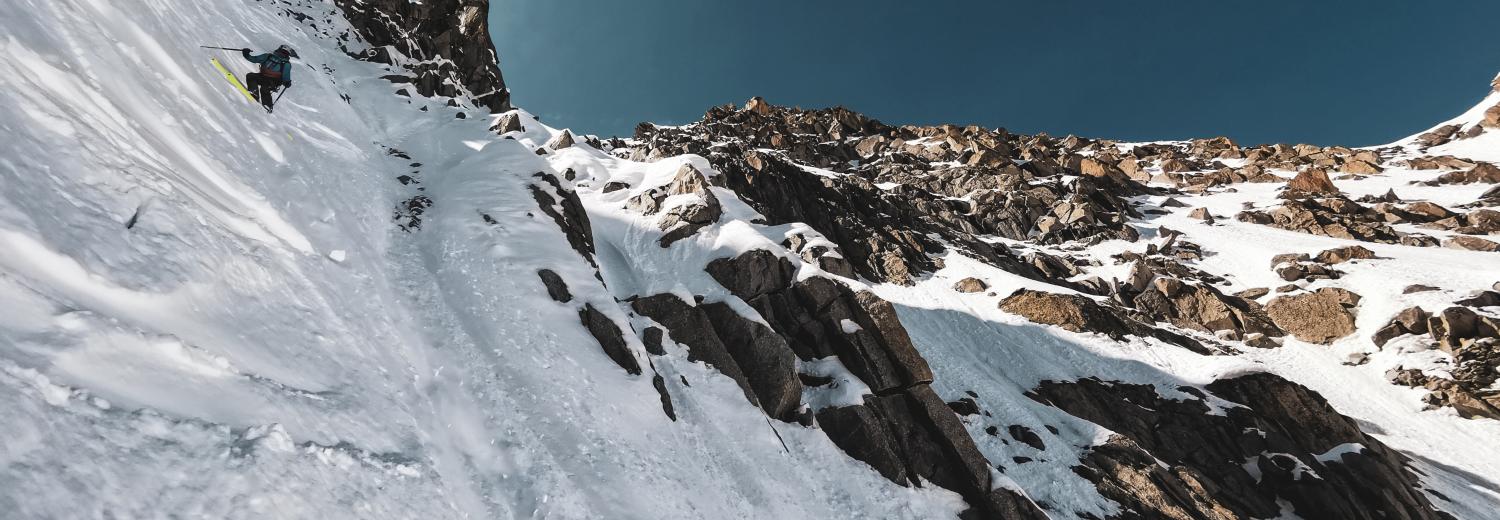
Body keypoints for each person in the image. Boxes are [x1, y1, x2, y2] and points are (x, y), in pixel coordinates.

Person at [240, 45, 296, 109]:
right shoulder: (271, 57)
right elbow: (254, 59)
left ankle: (267, 105)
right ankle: (254, 93)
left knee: (264, 88)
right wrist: (246, 54)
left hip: (273, 82)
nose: (282, 54)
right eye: (282, 52)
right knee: (251, 76)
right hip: (264, 77)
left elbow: (254, 59)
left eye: (284, 53)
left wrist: (286, 82)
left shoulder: (271, 57)